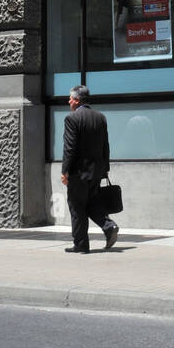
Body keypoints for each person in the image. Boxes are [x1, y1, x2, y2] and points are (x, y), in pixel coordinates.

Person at [60, 85, 120, 253]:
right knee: (91, 203)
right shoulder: (100, 117)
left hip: (78, 172)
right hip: (96, 171)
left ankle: (81, 244)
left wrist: (65, 171)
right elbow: (105, 146)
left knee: (76, 206)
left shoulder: (72, 119)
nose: (69, 101)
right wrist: (105, 168)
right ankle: (109, 227)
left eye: (71, 98)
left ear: (77, 100)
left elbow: (69, 148)